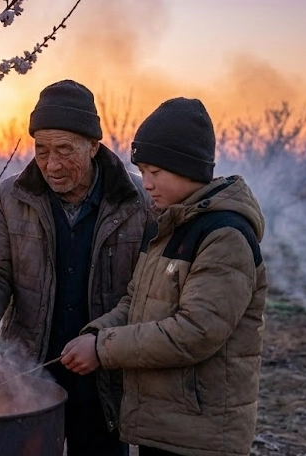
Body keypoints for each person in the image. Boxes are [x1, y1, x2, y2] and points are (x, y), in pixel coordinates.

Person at [61, 97, 268, 456]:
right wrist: (96, 333)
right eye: (142, 170)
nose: (147, 183)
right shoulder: (169, 226)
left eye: (156, 172)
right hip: (164, 422)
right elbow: (135, 301)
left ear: (189, 169)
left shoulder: (224, 236)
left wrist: (103, 349)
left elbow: (196, 332)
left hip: (201, 431)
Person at [0, 80, 150, 456]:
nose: (52, 164)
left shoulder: (139, 202)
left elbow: (145, 293)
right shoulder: (11, 197)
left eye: (65, 149)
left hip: (105, 376)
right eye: (42, 149)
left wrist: (102, 344)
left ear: (94, 146)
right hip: (29, 369)